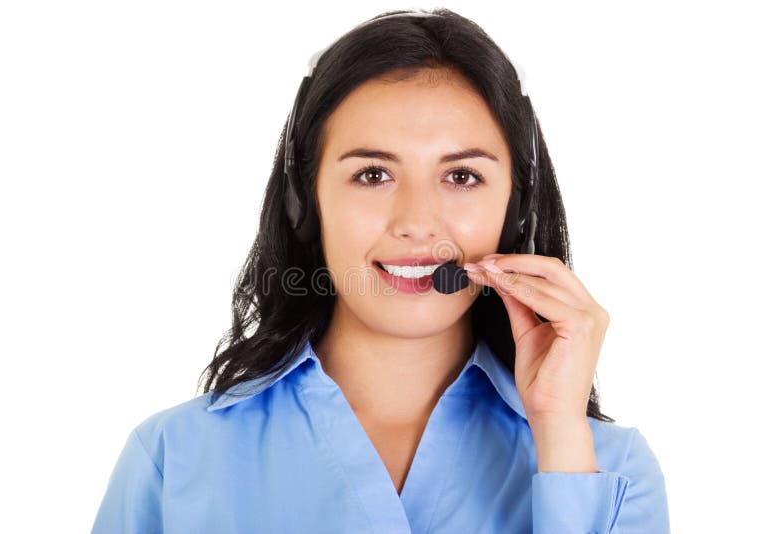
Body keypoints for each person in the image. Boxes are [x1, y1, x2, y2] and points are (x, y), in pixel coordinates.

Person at [92, 8, 670, 533]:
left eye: (462, 176)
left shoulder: (609, 470)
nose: (418, 223)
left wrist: (558, 431)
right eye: (372, 174)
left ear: (515, 208)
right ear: (305, 200)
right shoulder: (175, 458)